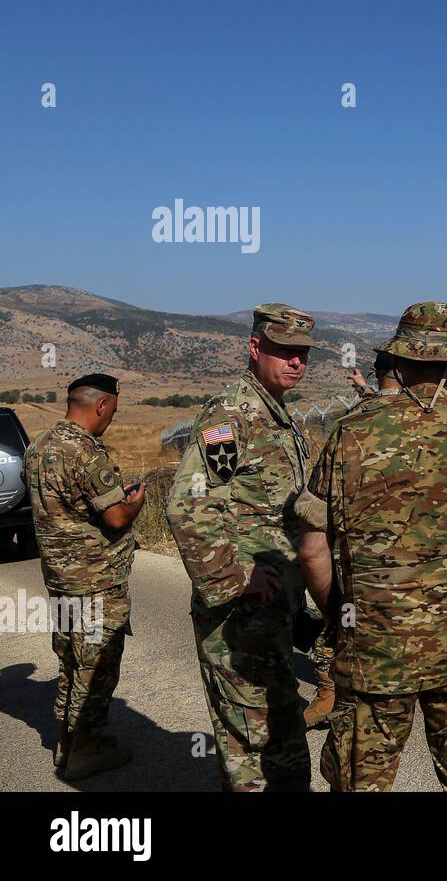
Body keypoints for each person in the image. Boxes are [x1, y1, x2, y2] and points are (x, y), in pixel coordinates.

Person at [295, 301, 447, 791]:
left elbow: (311, 549)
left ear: (400, 363)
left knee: (360, 781)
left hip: (374, 644)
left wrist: (338, 616)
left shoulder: (350, 433)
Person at [165, 304, 315, 791]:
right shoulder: (233, 414)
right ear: (255, 348)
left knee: (276, 730)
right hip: (240, 613)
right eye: (283, 351)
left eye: (302, 354)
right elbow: (188, 504)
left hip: (273, 609)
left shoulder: (277, 414)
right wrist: (233, 577)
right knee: (253, 742)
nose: (295, 362)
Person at [22, 373, 144, 780]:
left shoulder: (37, 445)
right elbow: (114, 515)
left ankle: (66, 741)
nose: (111, 418)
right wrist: (134, 503)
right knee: (97, 665)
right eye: (113, 410)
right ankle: (84, 750)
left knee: (71, 661)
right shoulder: (85, 451)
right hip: (95, 581)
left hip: (60, 578)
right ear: (101, 406)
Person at [303, 350, 401, 729]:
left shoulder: (351, 428)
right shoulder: (444, 424)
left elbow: (314, 537)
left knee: (343, 627)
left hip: (359, 560)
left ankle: (332, 694)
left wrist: (328, 606)